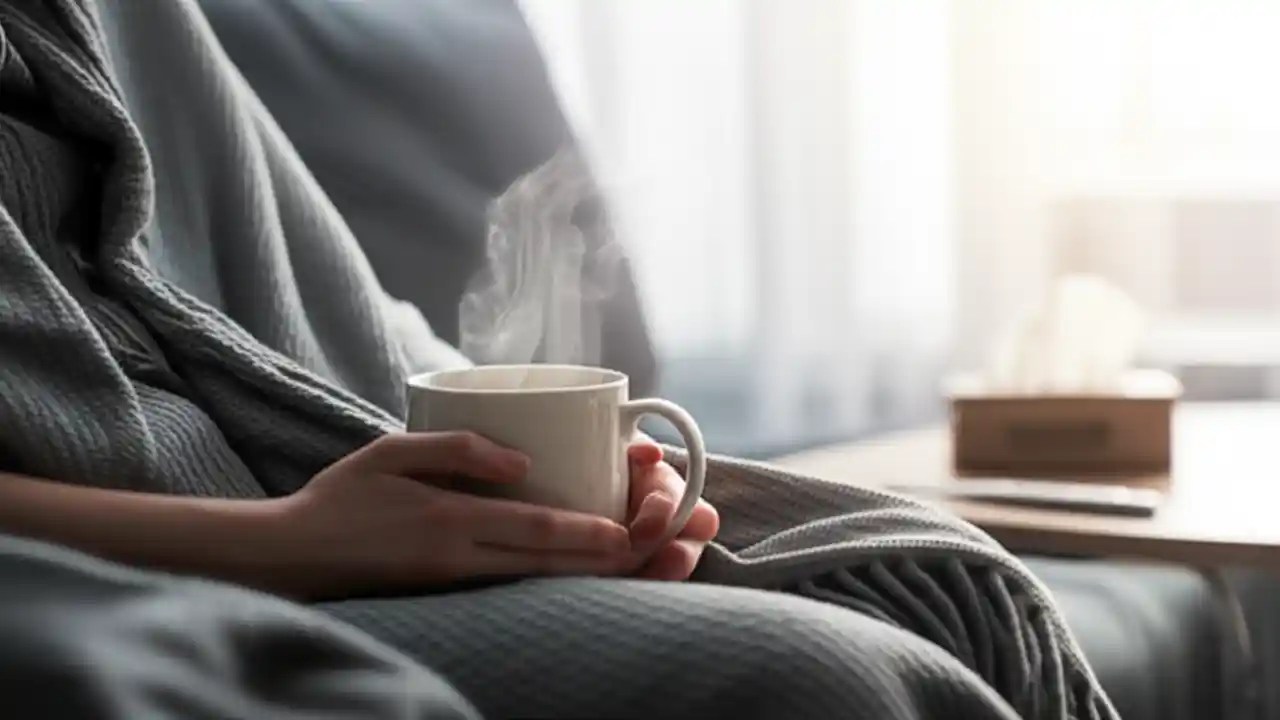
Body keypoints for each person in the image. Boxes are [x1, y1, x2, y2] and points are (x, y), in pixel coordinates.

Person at [0, 1, 1113, 718]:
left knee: (928, 586)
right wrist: (291, 544)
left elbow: (346, 319)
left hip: (317, 508)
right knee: (827, 683)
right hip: (168, 565)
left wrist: (606, 468)